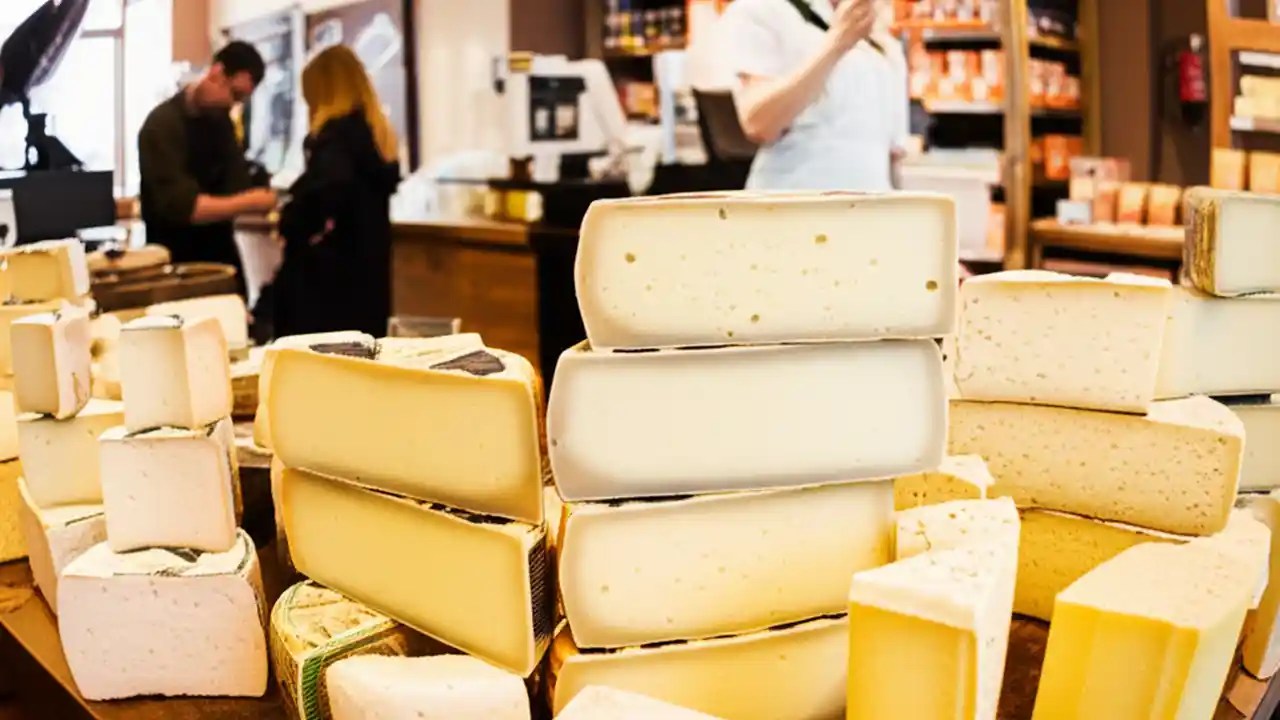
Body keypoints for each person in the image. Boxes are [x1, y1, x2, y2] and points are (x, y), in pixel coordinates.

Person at [273, 45, 401, 338]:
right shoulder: (376, 140)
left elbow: (323, 198)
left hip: (327, 292)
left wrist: (291, 221)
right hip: (367, 286)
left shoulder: (335, 142)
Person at [138, 41, 278, 297]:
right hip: (174, 269)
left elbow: (236, 185)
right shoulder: (161, 126)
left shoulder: (221, 122)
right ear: (216, 73)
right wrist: (253, 201)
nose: (233, 105)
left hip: (220, 263)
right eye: (234, 95)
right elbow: (185, 208)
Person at [723, 0, 910, 191]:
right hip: (792, 207)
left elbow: (892, 156)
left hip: (872, 210)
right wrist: (838, 42)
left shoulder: (883, 44)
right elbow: (758, 123)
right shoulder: (762, 10)